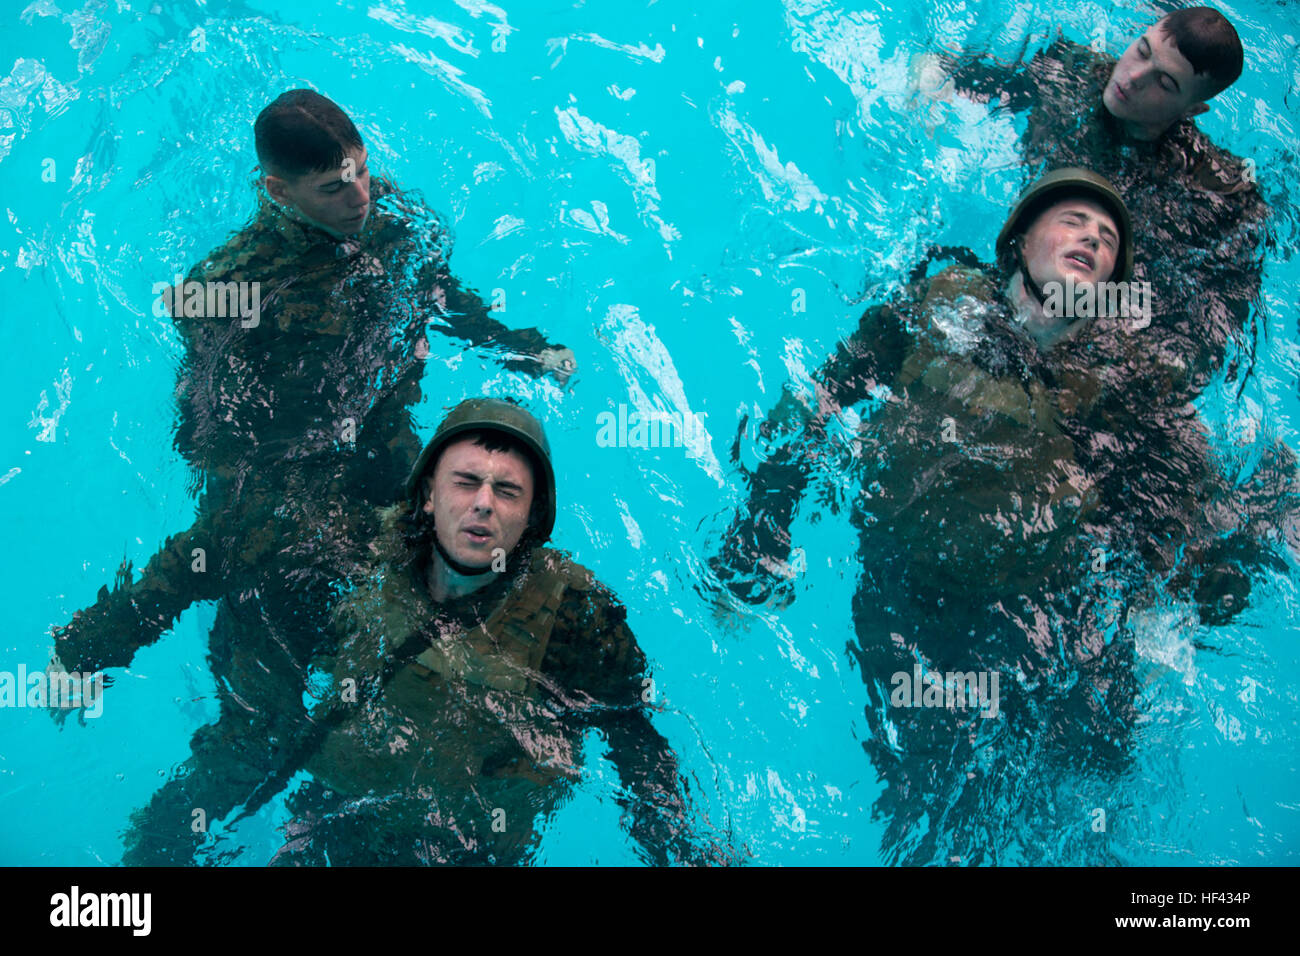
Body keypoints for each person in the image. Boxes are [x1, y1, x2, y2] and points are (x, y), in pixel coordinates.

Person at [48, 90, 574, 865]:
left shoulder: (392, 220)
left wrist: (516, 344)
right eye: (333, 188)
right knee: (255, 735)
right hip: (279, 483)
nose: (359, 196)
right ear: (276, 191)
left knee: (431, 678)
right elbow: (207, 441)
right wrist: (87, 652)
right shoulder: (226, 288)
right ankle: (148, 865)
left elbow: (433, 289)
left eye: (361, 172)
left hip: (383, 468)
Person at [710, 170, 1254, 863]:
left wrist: (1195, 579)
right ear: (1019, 238)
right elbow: (819, 399)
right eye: (1074, 220)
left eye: (1108, 238)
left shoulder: (1128, 387)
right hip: (908, 589)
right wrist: (760, 528)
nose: (1090, 235)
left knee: (1088, 776)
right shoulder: (934, 305)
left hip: (1045, 609)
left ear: (1115, 285)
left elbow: (1179, 514)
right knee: (921, 798)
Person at [269, 398, 720, 865]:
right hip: (342, 797)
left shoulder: (574, 616)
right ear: (427, 493)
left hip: (467, 841)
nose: (483, 503)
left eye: (507, 492)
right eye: (466, 483)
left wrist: (682, 849)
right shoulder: (358, 554)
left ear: (531, 514)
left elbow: (633, 738)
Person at [925, 7, 1266, 410]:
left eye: (1164, 83)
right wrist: (930, 82)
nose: (1132, 78)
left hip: (1104, 322)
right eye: (1142, 51)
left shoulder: (1216, 192)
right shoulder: (1066, 71)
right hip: (1028, 267)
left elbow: (1212, 327)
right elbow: (952, 71)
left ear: (1191, 111)